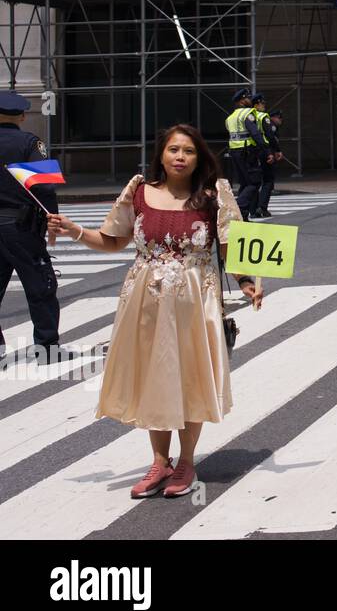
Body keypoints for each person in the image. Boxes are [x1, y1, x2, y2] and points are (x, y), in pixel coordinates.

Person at [47, 125, 262, 497]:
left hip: (196, 298)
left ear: (199, 158)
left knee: (192, 376)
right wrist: (73, 230)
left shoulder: (215, 195)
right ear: (161, 154)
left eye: (189, 151)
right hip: (144, 299)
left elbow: (233, 247)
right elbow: (113, 239)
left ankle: (187, 462)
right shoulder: (139, 192)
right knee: (154, 377)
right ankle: (159, 462)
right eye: (174, 150)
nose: (180, 157)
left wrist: (248, 280)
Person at [0, 91, 61, 361]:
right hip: (20, 227)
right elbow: (44, 186)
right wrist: (53, 220)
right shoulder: (29, 143)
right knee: (40, 285)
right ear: (22, 116)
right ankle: (47, 348)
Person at [224, 88, 272, 220]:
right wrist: (267, 150)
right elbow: (255, 133)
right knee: (254, 182)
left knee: (245, 183)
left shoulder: (231, 117)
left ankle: (243, 216)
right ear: (241, 101)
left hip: (235, 152)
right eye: (247, 98)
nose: (250, 100)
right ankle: (239, 207)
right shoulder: (247, 114)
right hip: (247, 152)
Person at [252, 106, 284, 219]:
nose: (281, 120)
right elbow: (270, 138)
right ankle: (261, 207)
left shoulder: (252, 117)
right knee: (268, 181)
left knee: (254, 182)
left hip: (253, 151)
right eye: (279, 117)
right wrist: (277, 150)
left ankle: (253, 209)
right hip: (266, 152)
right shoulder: (266, 120)